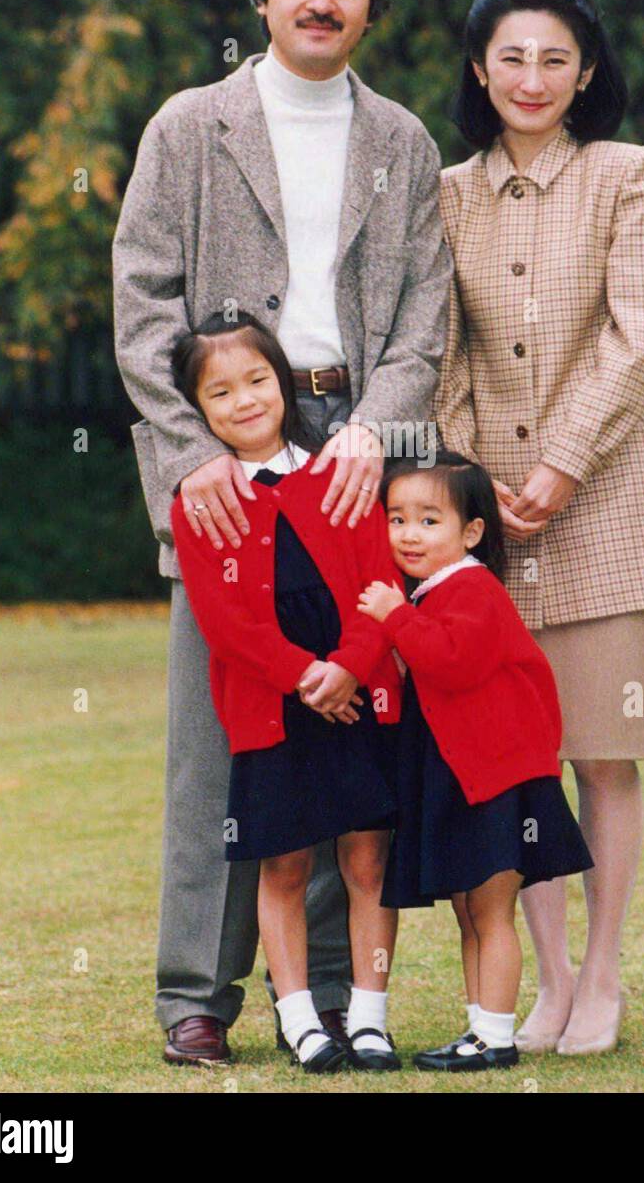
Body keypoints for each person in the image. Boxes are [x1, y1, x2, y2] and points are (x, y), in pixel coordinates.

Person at [111, 0, 452, 1065]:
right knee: (222, 731)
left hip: (350, 451)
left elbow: (425, 317)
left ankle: (324, 1004)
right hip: (227, 446)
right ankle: (195, 993)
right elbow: (142, 307)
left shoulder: (402, 143)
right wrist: (194, 453)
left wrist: (381, 427)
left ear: (369, 5)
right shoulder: (189, 127)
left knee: (343, 716)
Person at [434, 0, 644, 1056]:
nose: (533, 77)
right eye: (512, 56)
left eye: (555, 58)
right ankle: (543, 980)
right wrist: (471, 478)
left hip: (611, 505)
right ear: (479, 69)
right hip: (488, 523)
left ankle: (603, 976)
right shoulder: (447, 192)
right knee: (515, 760)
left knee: (601, 753)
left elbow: (639, 335)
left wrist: (557, 463)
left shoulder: (628, 175)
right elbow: (441, 345)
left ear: (585, 70)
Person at [169, 311, 404, 1072]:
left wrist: (351, 665)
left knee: (368, 860)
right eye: (220, 392)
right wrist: (308, 678)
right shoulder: (201, 503)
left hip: (359, 695)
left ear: (283, 380)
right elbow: (226, 624)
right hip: (274, 709)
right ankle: (299, 1016)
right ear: (198, 411)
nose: (243, 401)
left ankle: (367, 1016)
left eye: (257, 380)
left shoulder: (340, 476)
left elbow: (381, 581)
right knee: (286, 864)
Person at [356, 453, 593, 1072]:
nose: (409, 534)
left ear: (471, 532)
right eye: (397, 518)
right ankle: (483, 1030)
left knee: (490, 910)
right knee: (473, 910)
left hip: (499, 780)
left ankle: (495, 1039)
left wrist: (394, 615)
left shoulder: (472, 588)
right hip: (469, 778)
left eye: (429, 520)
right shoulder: (436, 589)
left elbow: (451, 661)